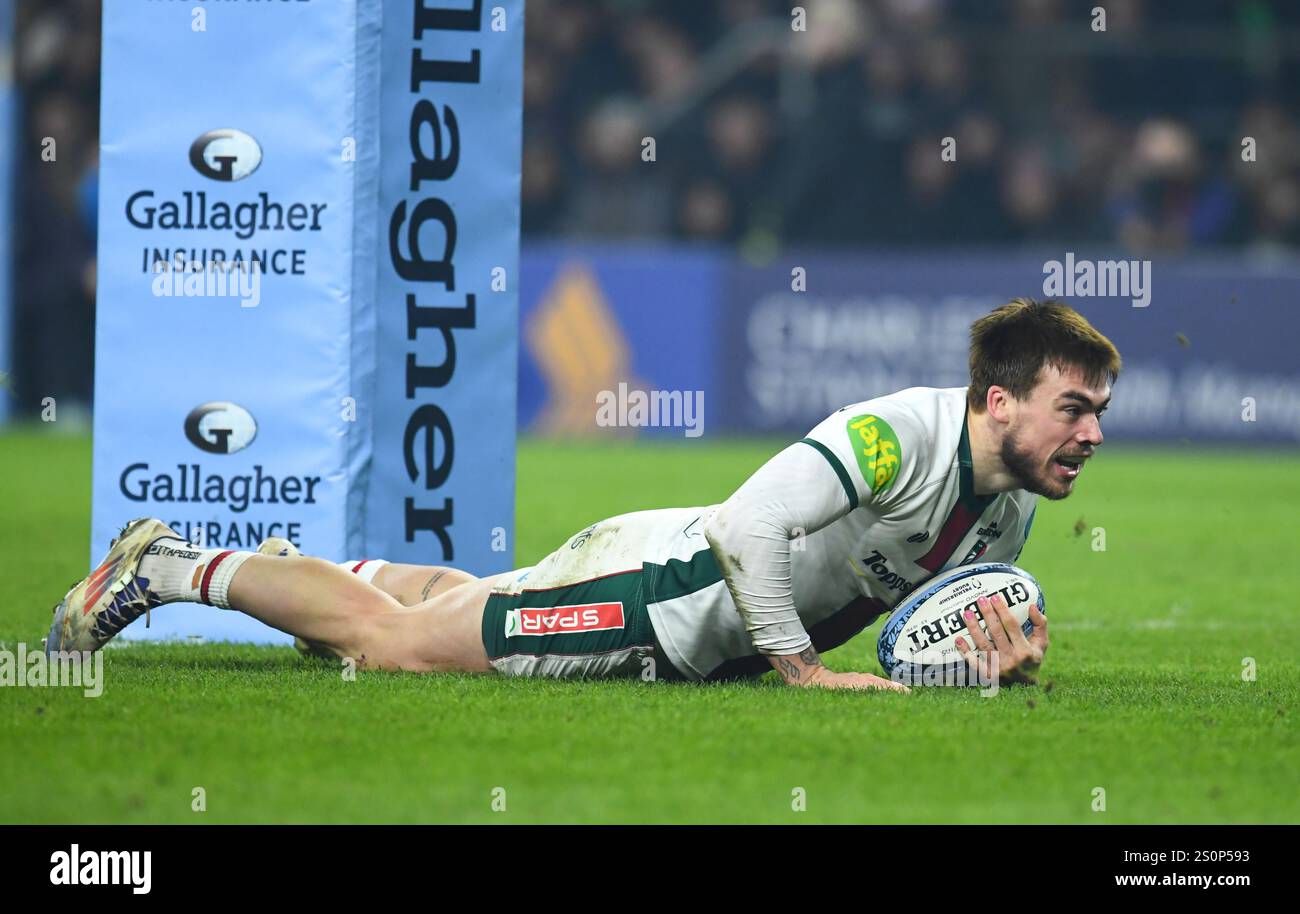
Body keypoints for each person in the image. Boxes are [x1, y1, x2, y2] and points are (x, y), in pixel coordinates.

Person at [47, 298, 1118, 692]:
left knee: (451, 603)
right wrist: (801, 672)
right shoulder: (899, 436)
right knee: (398, 648)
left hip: (680, 608)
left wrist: (1004, 656)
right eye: (1072, 406)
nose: (1091, 433)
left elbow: (931, 637)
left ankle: (307, 578)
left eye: (1098, 411)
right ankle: (170, 564)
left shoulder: (1009, 507)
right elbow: (750, 524)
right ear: (995, 398)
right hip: (654, 594)